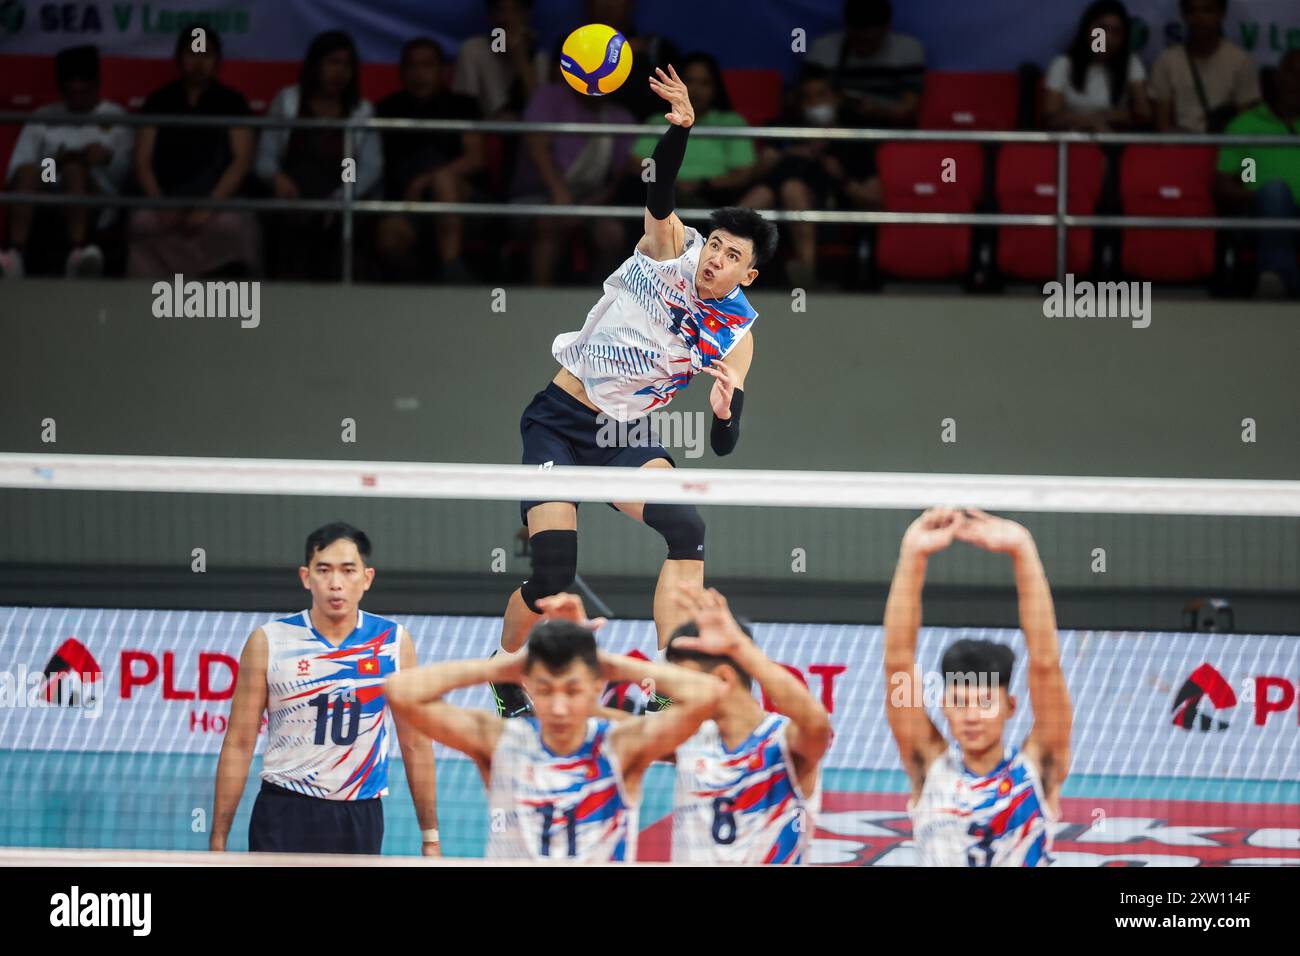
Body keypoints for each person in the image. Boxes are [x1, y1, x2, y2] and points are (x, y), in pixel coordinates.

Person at [491, 65, 778, 719]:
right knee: (553, 574)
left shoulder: (738, 335)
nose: (717, 259)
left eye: (734, 257)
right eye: (718, 246)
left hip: (620, 437)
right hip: (559, 420)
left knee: (685, 523)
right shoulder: (669, 249)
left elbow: (725, 445)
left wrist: (726, 413)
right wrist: (679, 128)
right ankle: (508, 677)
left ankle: (671, 682)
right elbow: (663, 188)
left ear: (749, 274)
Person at [384, 596, 726, 861]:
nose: (560, 707)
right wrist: (511, 665)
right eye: (546, 690)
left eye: (573, 690)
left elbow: (711, 696)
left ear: (596, 687)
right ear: (528, 685)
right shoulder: (501, 742)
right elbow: (401, 692)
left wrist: (603, 661)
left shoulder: (621, 747)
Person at [211, 523, 441, 856]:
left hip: (359, 812)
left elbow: (416, 744)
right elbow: (239, 742)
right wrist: (218, 839)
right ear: (306, 577)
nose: (336, 583)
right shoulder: (269, 641)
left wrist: (430, 836)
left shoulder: (393, 642)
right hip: (283, 810)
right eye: (324, 570)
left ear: (367, 578)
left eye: (348, 571)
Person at [883, 508, 1072, 867]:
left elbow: (1046, 664)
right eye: (960, 702)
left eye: (985, 701)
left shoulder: (1040, 766)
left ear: (1010, 706)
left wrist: (1022, 550)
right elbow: (898, 665)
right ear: (944, 707)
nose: (971, 716)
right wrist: (913, 556)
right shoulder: (928, 765)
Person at [601, 586, 831, 864]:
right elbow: (617, 727)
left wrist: (739, 648)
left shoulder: (785, 741)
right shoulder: (691, 737)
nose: (675, 694)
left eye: (684, 682)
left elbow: (816, 723)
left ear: (723, 679)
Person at [128, 26, 258, 279]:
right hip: (166, 196)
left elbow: (241, 162)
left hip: (218, 198)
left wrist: (209, 207)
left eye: (206, 54)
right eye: (192, 53)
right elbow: (142, 161)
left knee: (232, 227)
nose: (198, 62)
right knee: (142, 223)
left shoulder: (232, 101)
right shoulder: (159, 100)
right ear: (178, 58)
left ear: (218, 61)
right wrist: (161, 205)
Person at [255, 31, 383, 279]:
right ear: (315, 64)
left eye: (347, 65)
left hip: (342, 192)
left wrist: (339, 198)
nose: (340, 72)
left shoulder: (361, 110)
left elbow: (369, 168)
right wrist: (276, 177)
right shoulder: (288, 101)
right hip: (292, 194)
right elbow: (265, 158)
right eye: (333, 62)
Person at [738, 65, 877, 289]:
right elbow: (751, 176)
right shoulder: (784, 132)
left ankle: (806, 273)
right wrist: (777, 157)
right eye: (808, 97)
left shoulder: (854, 141)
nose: (815, 103)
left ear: (837, 99)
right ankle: (722, 272)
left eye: (822, 95)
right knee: (759, 195)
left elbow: (874, 199)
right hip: (774, 222)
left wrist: (841, 177)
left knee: (792, 188)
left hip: (829, 221)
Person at [0, 45, 131, 279]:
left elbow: (129, 178)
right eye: (72, 93)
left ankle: (78, 254)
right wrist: (54, 163)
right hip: (50, 184)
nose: (78, 99)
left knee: (74, 171)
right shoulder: (44, 116)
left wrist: (108, 159)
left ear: (97, 85)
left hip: (98, 195)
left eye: (85, 92)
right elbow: (17, 173)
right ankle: (15, 256)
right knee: (34, 171)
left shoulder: (116, 117)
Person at [374, 38, 484, 282]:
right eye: (412, 66)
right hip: (407, 204)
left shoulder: (462, 105)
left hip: (463, 205)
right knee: (388, 237)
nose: (419, 73)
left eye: (427, 65)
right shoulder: (386, 109)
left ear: (443, 70)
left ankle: (451, 272)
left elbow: (475, 158)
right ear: (401, 71)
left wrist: (428, 179)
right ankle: (416, 291)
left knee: (444, 181)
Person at [1215, 50, 1300, 298]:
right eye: (1292, 73)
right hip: (1260, 212)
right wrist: (1253, 194)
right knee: (1275, 191)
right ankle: (1278, 276)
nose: (1297, 81)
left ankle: (1285, 279)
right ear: (1277, 77)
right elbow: (1222, 184)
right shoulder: (1245, 125)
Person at [629, 52, 756, 210]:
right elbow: (636, 162)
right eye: (689, 81)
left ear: (715, 88)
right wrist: (670, 183)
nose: (695, 91)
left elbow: (744, 172)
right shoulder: (658, 120)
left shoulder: (732, 122)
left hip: (714, 197)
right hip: (663, 195)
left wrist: (703, 185)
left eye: (704, 83)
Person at [807, 0, 926, 130]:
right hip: (833, 129)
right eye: (857, 40)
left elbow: (909, 108)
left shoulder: (907, 50)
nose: (863, 47)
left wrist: (881, 112)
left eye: (870, 41)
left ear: (887, 28)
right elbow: (805, 100)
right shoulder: (823, 49)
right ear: (847, 28)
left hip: (889, 131)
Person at [1149, 0, 1260, 133]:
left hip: (1224, 147)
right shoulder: (1166, 61)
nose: (1198, 18)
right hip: (1180, 147)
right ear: (1183, 16)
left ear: (1222, 14)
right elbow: (1162, 127)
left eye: (1207, 10)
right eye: (1191, 11)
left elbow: (1245, 125)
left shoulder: (1241, 62)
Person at [1043, 0, 1151, 132]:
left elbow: (1143, 114)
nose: (1108, 38)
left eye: (1116, 32)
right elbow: (1051, 117)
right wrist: (1089, 122)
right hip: (1073, 141)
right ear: (1087, 29)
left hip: (1114, 141)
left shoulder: (1131, 62)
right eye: (1102, 29)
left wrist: (1105, 117)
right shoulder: (1063, 64)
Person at [453, 0, 549, 120]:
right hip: (484, 132)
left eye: (515, 10)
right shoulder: (472, 50)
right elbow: (463, 108)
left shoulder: (539, 58)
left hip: (525, 133)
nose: (507, 19)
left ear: (527, 15)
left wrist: (521, 59)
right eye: (500, 10)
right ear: (491, 15)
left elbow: (542, 111)